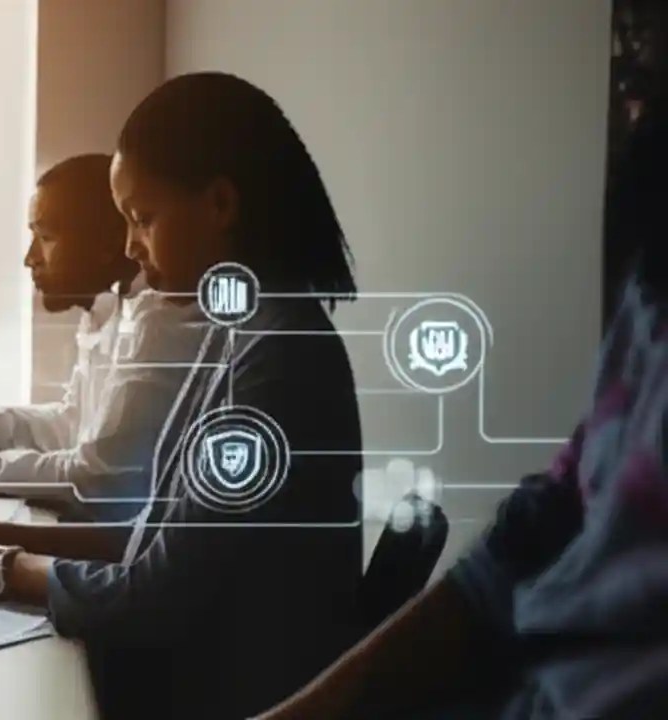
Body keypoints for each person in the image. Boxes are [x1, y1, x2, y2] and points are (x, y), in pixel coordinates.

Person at [0, 73, 364, 717]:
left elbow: (152, 595)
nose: (129, 248)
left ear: (220, 205)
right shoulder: (239, 335)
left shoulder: (278, 362)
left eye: (143, 219)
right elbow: (149, 541)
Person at [255, 100, 668, 720]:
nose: (132, 245)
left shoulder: (277, 348)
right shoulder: (646, 299)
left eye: (143, 218)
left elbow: (179, 579)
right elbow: (535, 532)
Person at [0, 154, 206, 523]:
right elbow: (69, 425)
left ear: (107, 244)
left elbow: (93, 478)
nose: (30, 258)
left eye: (45, 237)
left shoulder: (156, 322)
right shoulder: (106, 313)